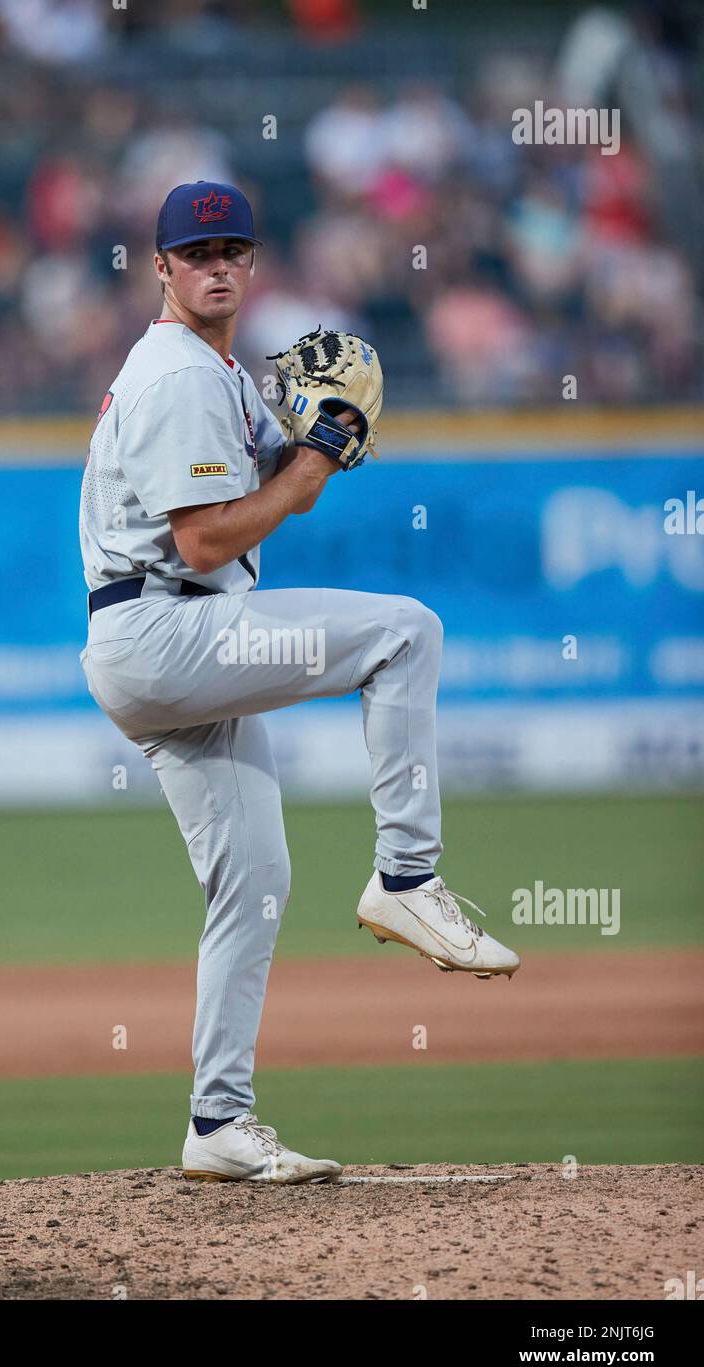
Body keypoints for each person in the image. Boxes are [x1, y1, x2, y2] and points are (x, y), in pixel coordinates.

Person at [79, 180, 519, 1185]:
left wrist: (310, 436)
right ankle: (406, 877)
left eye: (232, 246)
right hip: (166, 628)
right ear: (160, 268)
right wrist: (316, 455)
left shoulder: (219, 373)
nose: (217, 264)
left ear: (252, 258)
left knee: (255, 883)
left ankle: (216, 1120)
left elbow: (258, 488)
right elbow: (203, 538)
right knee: (405, 634)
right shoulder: (179, 375)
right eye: (195, 253)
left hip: (163, 643)